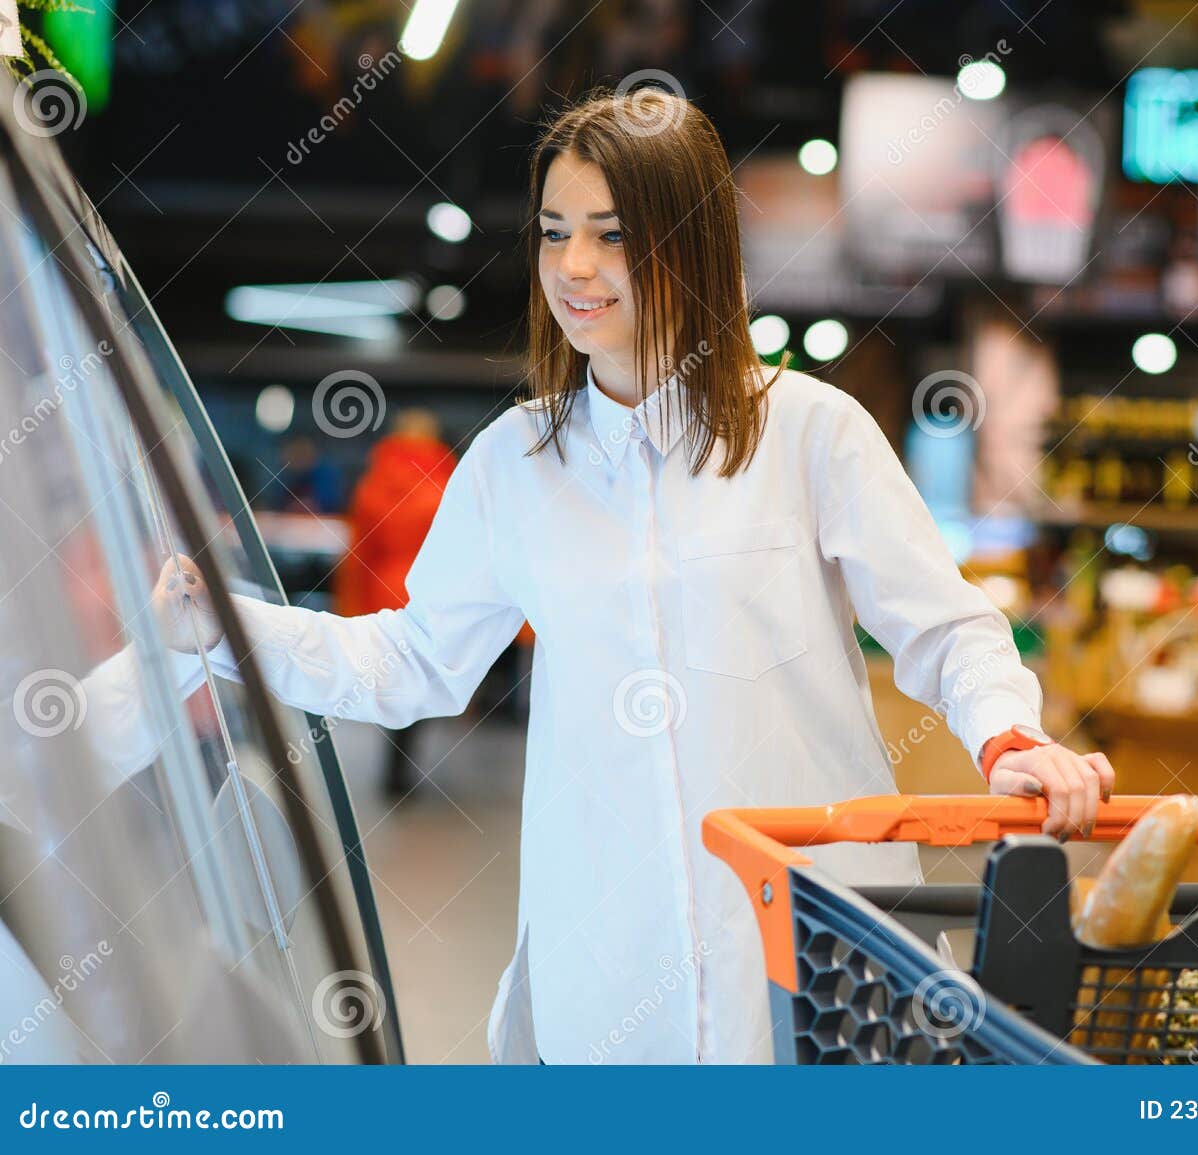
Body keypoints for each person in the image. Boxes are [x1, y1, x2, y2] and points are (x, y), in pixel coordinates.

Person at [150, 88, 1114, 1065]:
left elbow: (943, 625)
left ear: (688, 244)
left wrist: (1008, 736)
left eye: (611, 236)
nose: (573, 267)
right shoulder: (515, 464)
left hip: (817, 950)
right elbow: (410, 662)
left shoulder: (808, 433)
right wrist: (224, 627)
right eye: (554, 232)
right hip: (608, 970)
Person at [332, 408, 459, 799]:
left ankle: (395, 765)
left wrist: (350, 607)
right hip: (431, 598)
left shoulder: (371, 484)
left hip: (382, 592)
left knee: (394, 680)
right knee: (421, 685)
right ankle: (401, 766)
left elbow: (358, 555)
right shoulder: (447, 483)